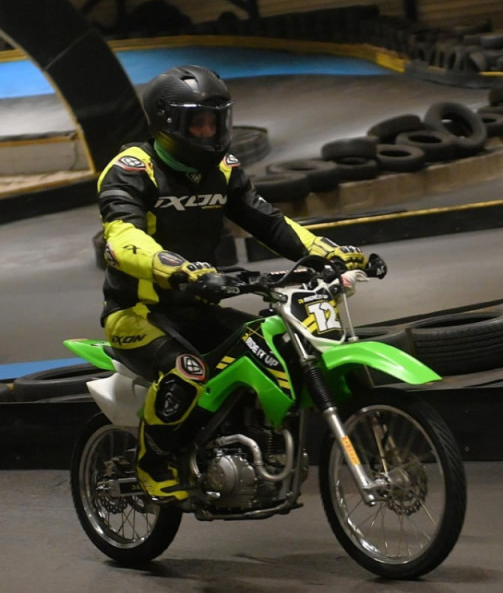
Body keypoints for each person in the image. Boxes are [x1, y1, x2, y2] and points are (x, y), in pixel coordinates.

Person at [97, 65, 367, 501]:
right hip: (138, 313)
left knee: (270, 346)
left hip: (201, 307)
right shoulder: (132, 169)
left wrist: (328, 252)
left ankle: (245, 443)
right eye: (197, 122)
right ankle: (152, 461)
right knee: (187, 372)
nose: (208, 131)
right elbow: (123, 240)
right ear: (167, 122)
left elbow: (269, 222)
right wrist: (179, 268)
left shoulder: (223, 169)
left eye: (215, 120)